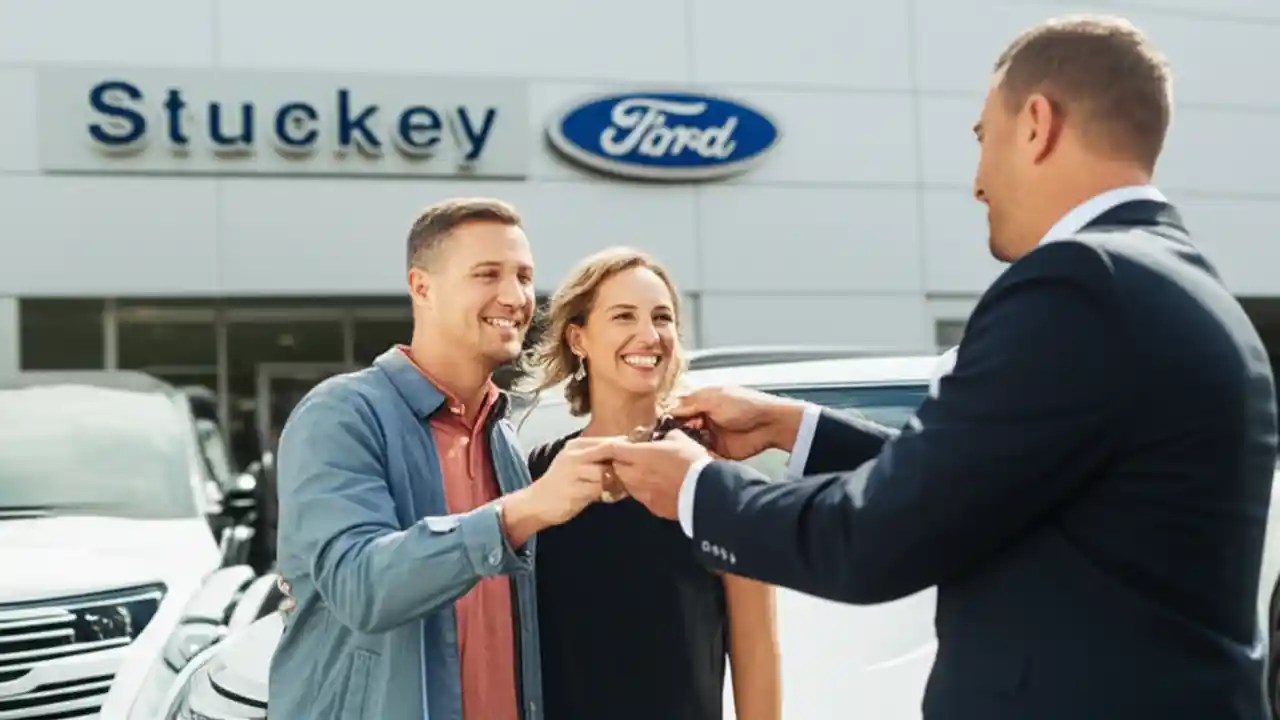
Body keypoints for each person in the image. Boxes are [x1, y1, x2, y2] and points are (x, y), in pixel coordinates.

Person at [601, 15, 1278, 720]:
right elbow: (990, 480)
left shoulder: (1077, 286)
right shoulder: (1187, 288)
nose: (978, 181)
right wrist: (793, 427)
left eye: (982, 139)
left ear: (1037, 124)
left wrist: (696, 489)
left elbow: (878, 535)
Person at [269, 197, 613, 720]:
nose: (515, 296)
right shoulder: (341, 416)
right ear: (421, 287)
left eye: (524, 276)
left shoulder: (502, 442)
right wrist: (521, 512)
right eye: (487, 274)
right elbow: (361, 587)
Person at [518, 247, 782, 720]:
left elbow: (756, 649)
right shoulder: (538, 474)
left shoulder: (714, 477)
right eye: (624, 316)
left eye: (662, 318)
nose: (649, 335)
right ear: (578, 338)